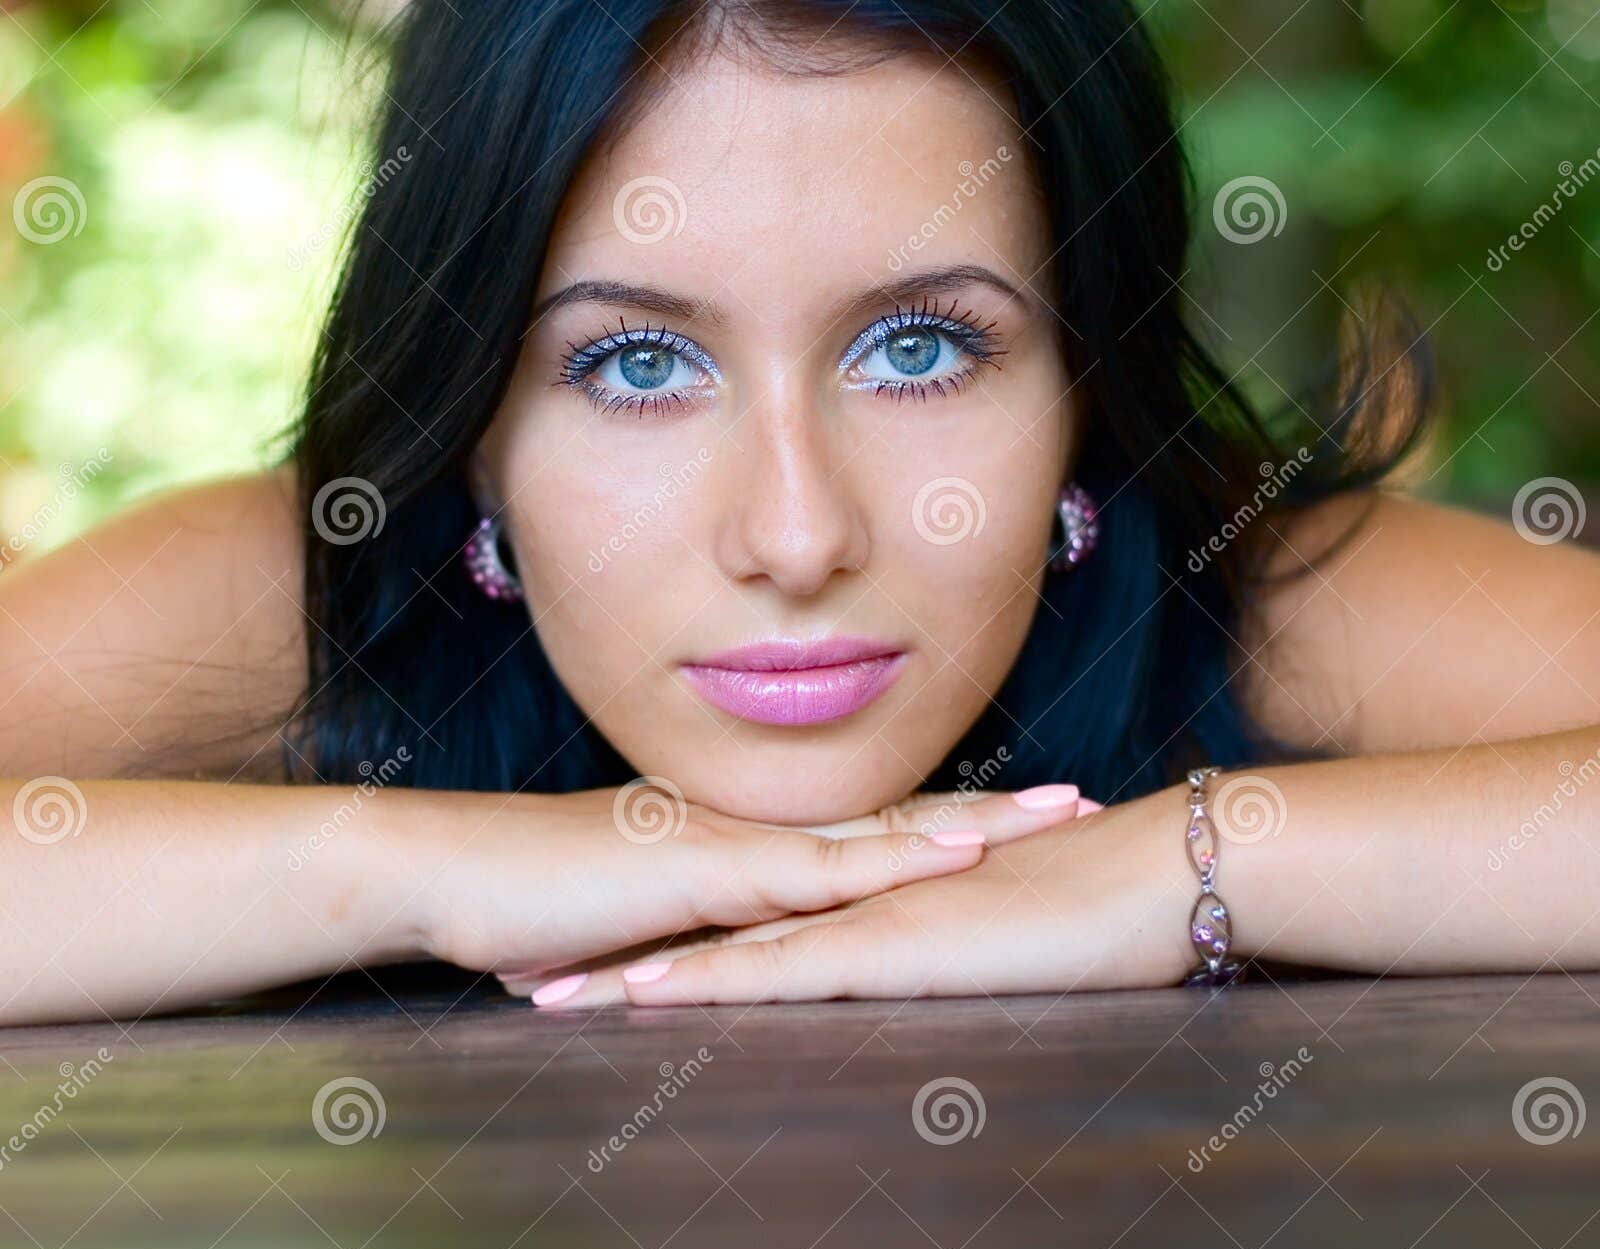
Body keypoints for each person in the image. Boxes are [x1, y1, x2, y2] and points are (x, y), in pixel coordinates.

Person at [3, 0, 1598, 1027]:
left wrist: (1165, 870)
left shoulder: (1239, 580)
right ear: (478, 424)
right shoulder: (309, 579)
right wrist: (434, 861)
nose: (794, 532)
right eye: (635, 363)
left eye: (919, 350)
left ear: (1081, 395)